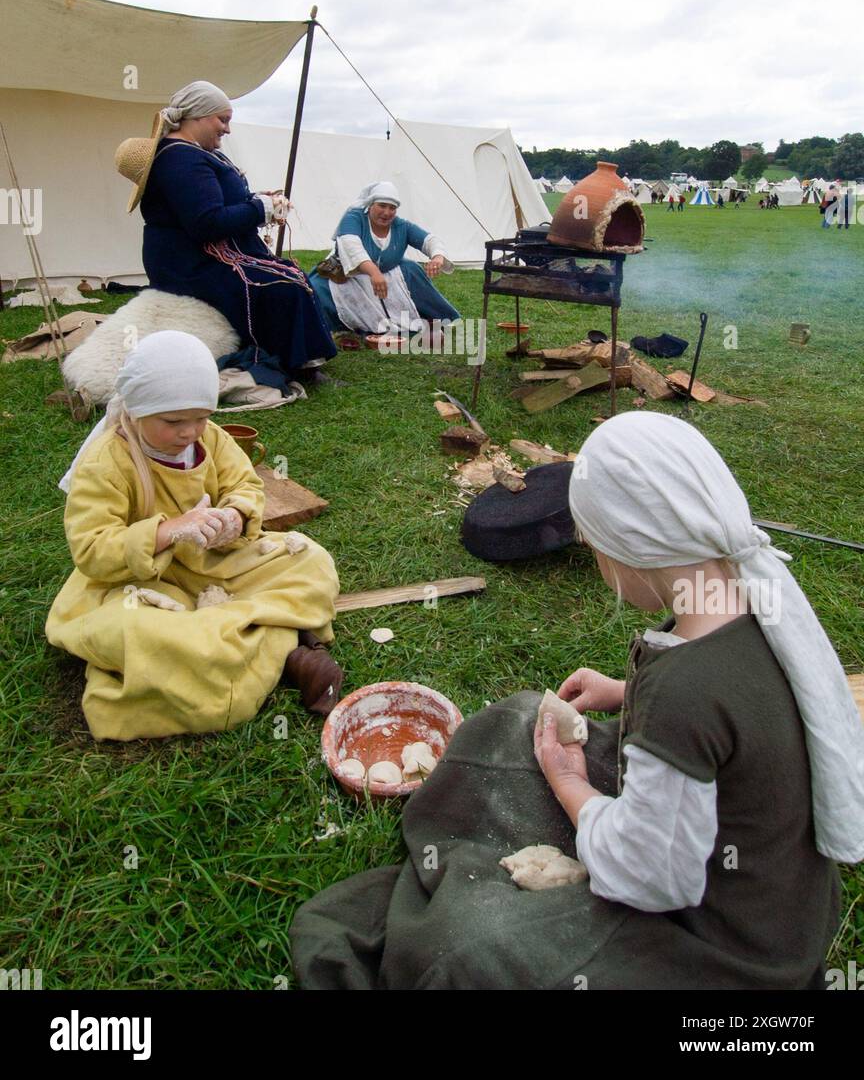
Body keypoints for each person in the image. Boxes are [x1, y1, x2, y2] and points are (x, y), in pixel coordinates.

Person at [290, 412, 863, 990]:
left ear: (625, 547)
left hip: (726, 945)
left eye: (593, 550)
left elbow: (652, 877)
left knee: (467, 949)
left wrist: (570, 785)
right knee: (518, 720)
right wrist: (626, 692)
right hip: (755, 874)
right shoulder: (748, 595)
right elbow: (735, 715)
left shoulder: (687, 691)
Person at [46, 332, 342, 740]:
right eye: (172, 421)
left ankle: (252, 640)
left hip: (215, 562)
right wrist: (167, 531)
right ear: (135, 410)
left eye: (201, 416)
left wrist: (235, 515)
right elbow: (92, 549)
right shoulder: (106, 463)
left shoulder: (211, 438)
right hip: (138, 582)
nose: (190, 432)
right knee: (141, 633)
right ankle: (284, 642)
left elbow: (245, 484)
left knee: (310, 559)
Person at [115, 81, 337, 382]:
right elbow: (206, 223)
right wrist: (261, 209)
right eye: (223, 119)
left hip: (205, 255)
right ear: (198, 116)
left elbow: (215, 202)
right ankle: (293, 363)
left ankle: (304, 356)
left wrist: (256, 199)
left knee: (289, 272)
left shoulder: (195, 154)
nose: (227, 129)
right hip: (190, 264)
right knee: (280, 287)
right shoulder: (180, 159)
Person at [309, 181, 460, 343]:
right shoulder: (353, 218)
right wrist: (373, 272)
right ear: (371, 205)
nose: (387, 212)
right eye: (382, 206)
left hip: (388, 271)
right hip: (348, 273)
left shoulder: (400, 225)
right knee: (317, 291)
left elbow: (430, 240)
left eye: (392, 208)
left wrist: (437, 257)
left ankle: (431, 319)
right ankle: (340, 328)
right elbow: (352, 248)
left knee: (412, 270)